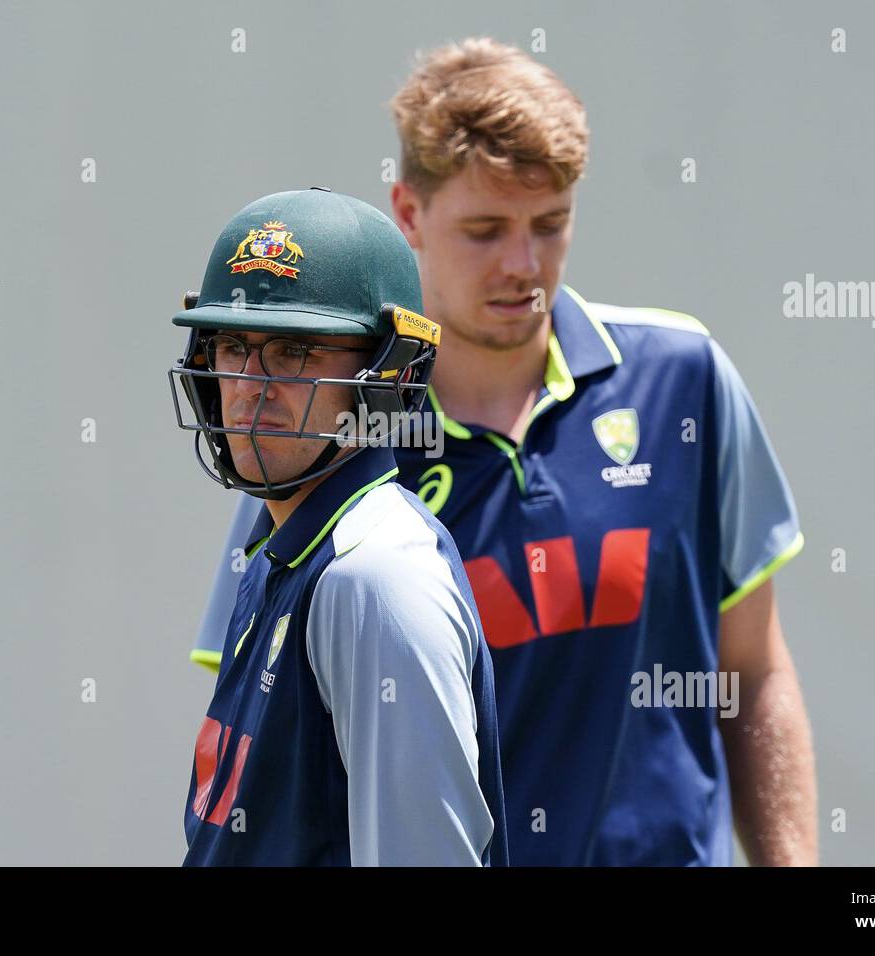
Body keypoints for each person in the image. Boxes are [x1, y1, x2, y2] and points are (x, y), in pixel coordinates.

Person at [192, 39, 817, 866]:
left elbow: (754, 670)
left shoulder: (685, 381)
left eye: (550, 225)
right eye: (486, 230)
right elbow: (269, 738)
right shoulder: (331, 435)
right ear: (408, 213)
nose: (524, 266)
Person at [170, 186, 507, 866]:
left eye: (295, 353)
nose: (251, 382)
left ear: (386, 375)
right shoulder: (282, 549)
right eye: (234, 344)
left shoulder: (376, 577)